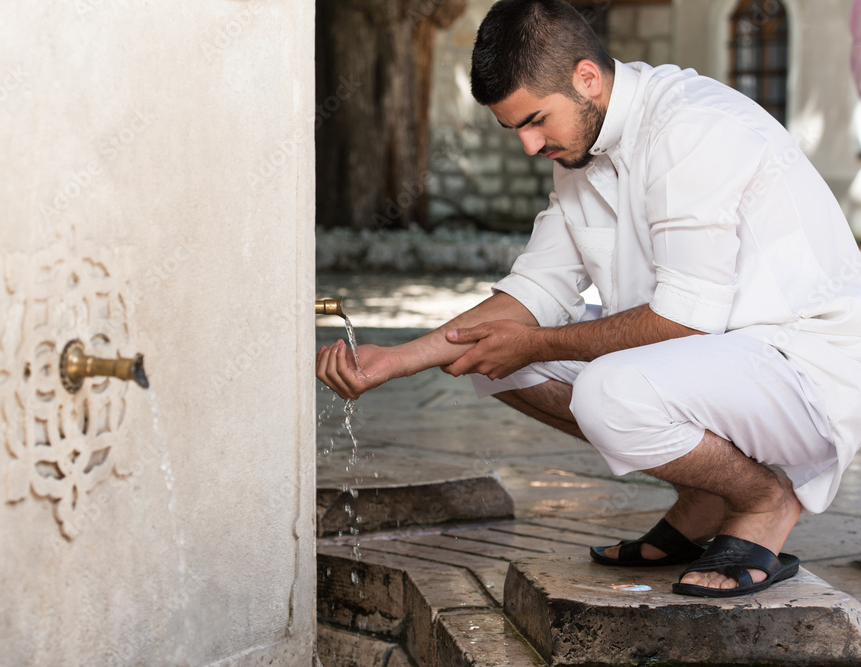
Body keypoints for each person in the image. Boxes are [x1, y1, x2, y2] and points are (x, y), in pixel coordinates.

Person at [317, 0, 861, 598]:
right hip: (720, 359)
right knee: (495, 363)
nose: (528, 145)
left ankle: (763, 501)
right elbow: (535, 290)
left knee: (608, 390)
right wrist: (398, 358)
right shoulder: (582, 143)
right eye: (515, 128)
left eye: (535, 120)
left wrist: (536, 342)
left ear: (586, 78)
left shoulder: (693, 128)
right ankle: (708, 492)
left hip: (800, 367)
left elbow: (683, 320)